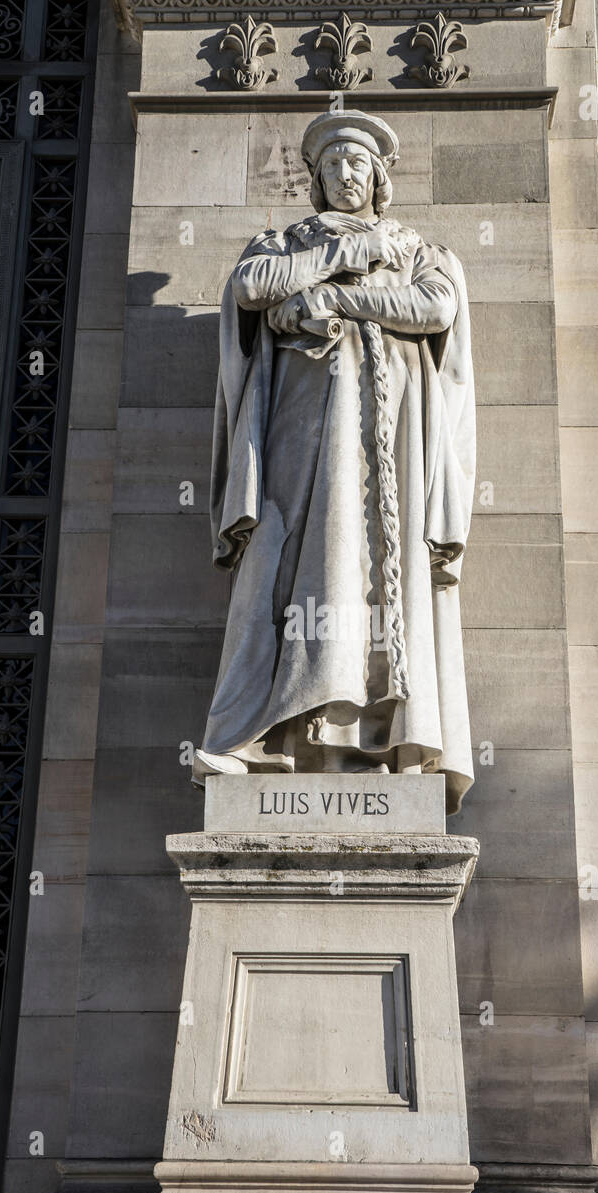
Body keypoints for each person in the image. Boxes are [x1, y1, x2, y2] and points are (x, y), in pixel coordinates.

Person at [193, 109, 476, 814]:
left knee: (380, 573)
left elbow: (435, 307)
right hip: (297, 431)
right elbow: (253, 288)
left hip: (389, 439)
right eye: (333, 166)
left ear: (378, 177)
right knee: (284, 564)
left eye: (358, 165)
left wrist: (336, 299)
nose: (347, 176)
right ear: (315, 180)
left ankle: (373, 745)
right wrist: (328, 266)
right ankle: (260, 740)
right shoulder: (286, 242)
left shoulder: (413, 244)